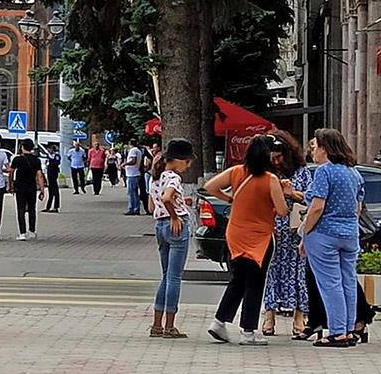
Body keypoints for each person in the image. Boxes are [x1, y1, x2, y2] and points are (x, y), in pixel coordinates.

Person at [203, 136, 289, 345]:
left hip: (236, 233)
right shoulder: (270, 179)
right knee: (255, 282)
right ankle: (248, 331)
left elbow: (210, 186)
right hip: (260, 237)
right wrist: (284, 192)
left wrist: (230, 199)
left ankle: (219, 322)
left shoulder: (236, 172)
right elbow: (282, 211)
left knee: (238, 278)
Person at [300, 128, 364, 348]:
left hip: (324, 233)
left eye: (315, 147)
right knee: (348, 281)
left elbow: (317, 206)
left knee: (330, 284)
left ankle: (336, 332)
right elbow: (358, 207)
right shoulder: (353, 172)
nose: (313, 152)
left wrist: (304, 232)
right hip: (350, 234)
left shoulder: (324, 172)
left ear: (325, 149)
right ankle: (347, 329)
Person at [262, 131, 311, 338]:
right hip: (272, 230)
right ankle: (269, 315)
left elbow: (311, 198)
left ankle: (299, 316)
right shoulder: (266, 172)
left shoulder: (301, 172)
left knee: (298, 273)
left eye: (279, 156)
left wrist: (291, 193)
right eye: (272, 156)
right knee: (271, 273)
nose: (276, 160)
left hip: (295, 231)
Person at [149, 139, 196, 338]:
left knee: (166, 275)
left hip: (160, 225)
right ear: (177, 160)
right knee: (175, 278)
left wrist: (179, 202)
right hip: (176, 226)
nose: (188, 166)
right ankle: (170, 326)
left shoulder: (156, 177)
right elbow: (167, 198)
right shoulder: (173, 178)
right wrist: (176, 216)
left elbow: (153, 206)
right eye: (186, 162)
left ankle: (156, 324)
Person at [10, 139, 43, 240]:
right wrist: (42, 189)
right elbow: (39, 175)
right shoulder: (37, 160)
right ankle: (32, 231)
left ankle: (22, 233)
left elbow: (11, 172)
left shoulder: (17, 159)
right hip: (32, 187)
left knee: (21, 209)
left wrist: (10, 185)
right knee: (32, 209)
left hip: (20, 187)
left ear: (22, 147)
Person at [122, 140, 149, 214]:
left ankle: (132, 208)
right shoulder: (139, 151)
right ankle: (136, 208)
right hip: (136, 173)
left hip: (132, 174)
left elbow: (133, 161)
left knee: (131, 192)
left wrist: (125, 164)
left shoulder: (133, 150)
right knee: (135, 192)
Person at [43, 143, 62, 212]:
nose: (48, 150)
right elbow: (46, 163)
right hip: (49, 174)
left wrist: (50, 163)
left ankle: (56, 207)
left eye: (49, 149)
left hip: (54, 174)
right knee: (50, 191)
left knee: (55, 191)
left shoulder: (56, 155)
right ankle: (48, 206)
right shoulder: (48, 156)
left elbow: (57, 162)